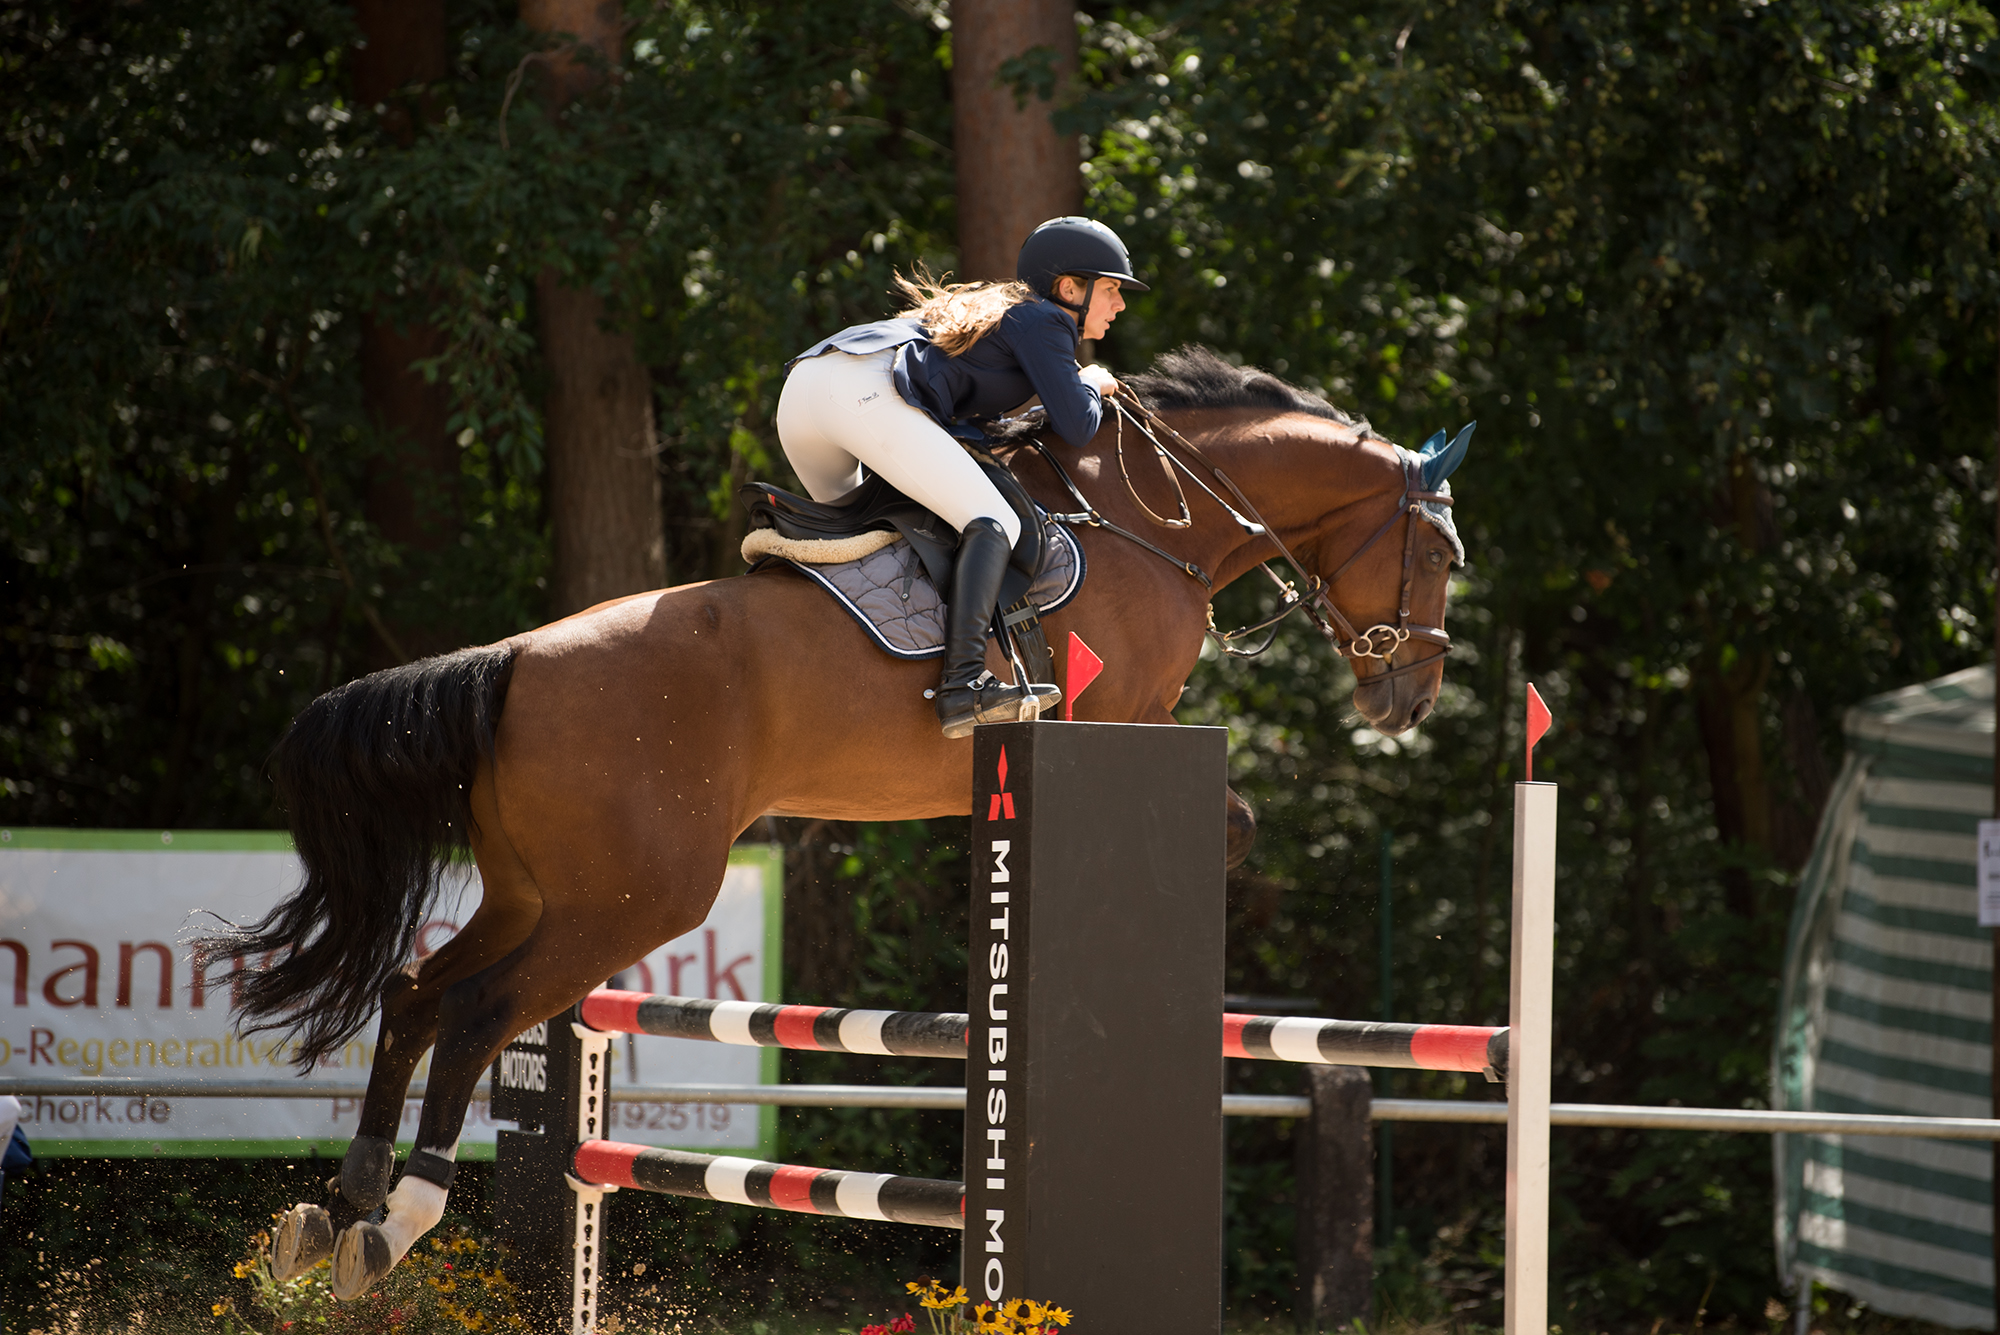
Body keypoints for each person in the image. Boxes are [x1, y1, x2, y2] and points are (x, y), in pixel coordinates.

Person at [777, 217, 1147, 737]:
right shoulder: (1045, 319)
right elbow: (1079, 426)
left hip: (806, 392)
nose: (1120, 305)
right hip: (859, 392)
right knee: (993, 521)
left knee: (868, 551)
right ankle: (964, 685)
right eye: (1111, 290)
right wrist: (1091, 380)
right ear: (1070, 288)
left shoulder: (1000, 314)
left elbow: (965, 422)